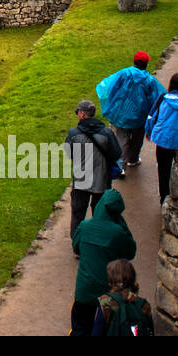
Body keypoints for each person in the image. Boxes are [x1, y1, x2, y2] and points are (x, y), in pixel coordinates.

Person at [70, 189, 135, 336]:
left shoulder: (84, 226)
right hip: (107, 294)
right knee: (107, 327)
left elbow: (76, 247)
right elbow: (131, 252)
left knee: (80, 327)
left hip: (84, 290)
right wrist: (122, 224)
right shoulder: (118, 232)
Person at [95, 51, 166, 175]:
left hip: (121, 113)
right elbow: (155, 98)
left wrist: (112, 103)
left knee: (122, 138)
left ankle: (120, 166)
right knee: (137, 138)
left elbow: (109, 86)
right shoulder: (149, 80)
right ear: (146, 63)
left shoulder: (124, 73)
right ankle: (133, 159)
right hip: (139, 115)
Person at [65, 99, 121, 247]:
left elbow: (69, 154)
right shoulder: (106, 132)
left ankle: (77, 244)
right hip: (101, 178)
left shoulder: (74, 133)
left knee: (78, 213)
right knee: (99, 213)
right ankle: (96, 242)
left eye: (78, 112)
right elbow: (116, 153)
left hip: (81, 179)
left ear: (82, 114)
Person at [147, 73, 178, 205]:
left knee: (163, 170)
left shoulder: (163, 99)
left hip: (162, 141)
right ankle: (177, 196)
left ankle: (164, 197)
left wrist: (149, 131)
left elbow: (152, 116)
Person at [91, 260, 155, 337]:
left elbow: (96, 332)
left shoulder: (106, 302)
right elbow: (150, 331)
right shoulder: (144, 305)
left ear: (111, 281)